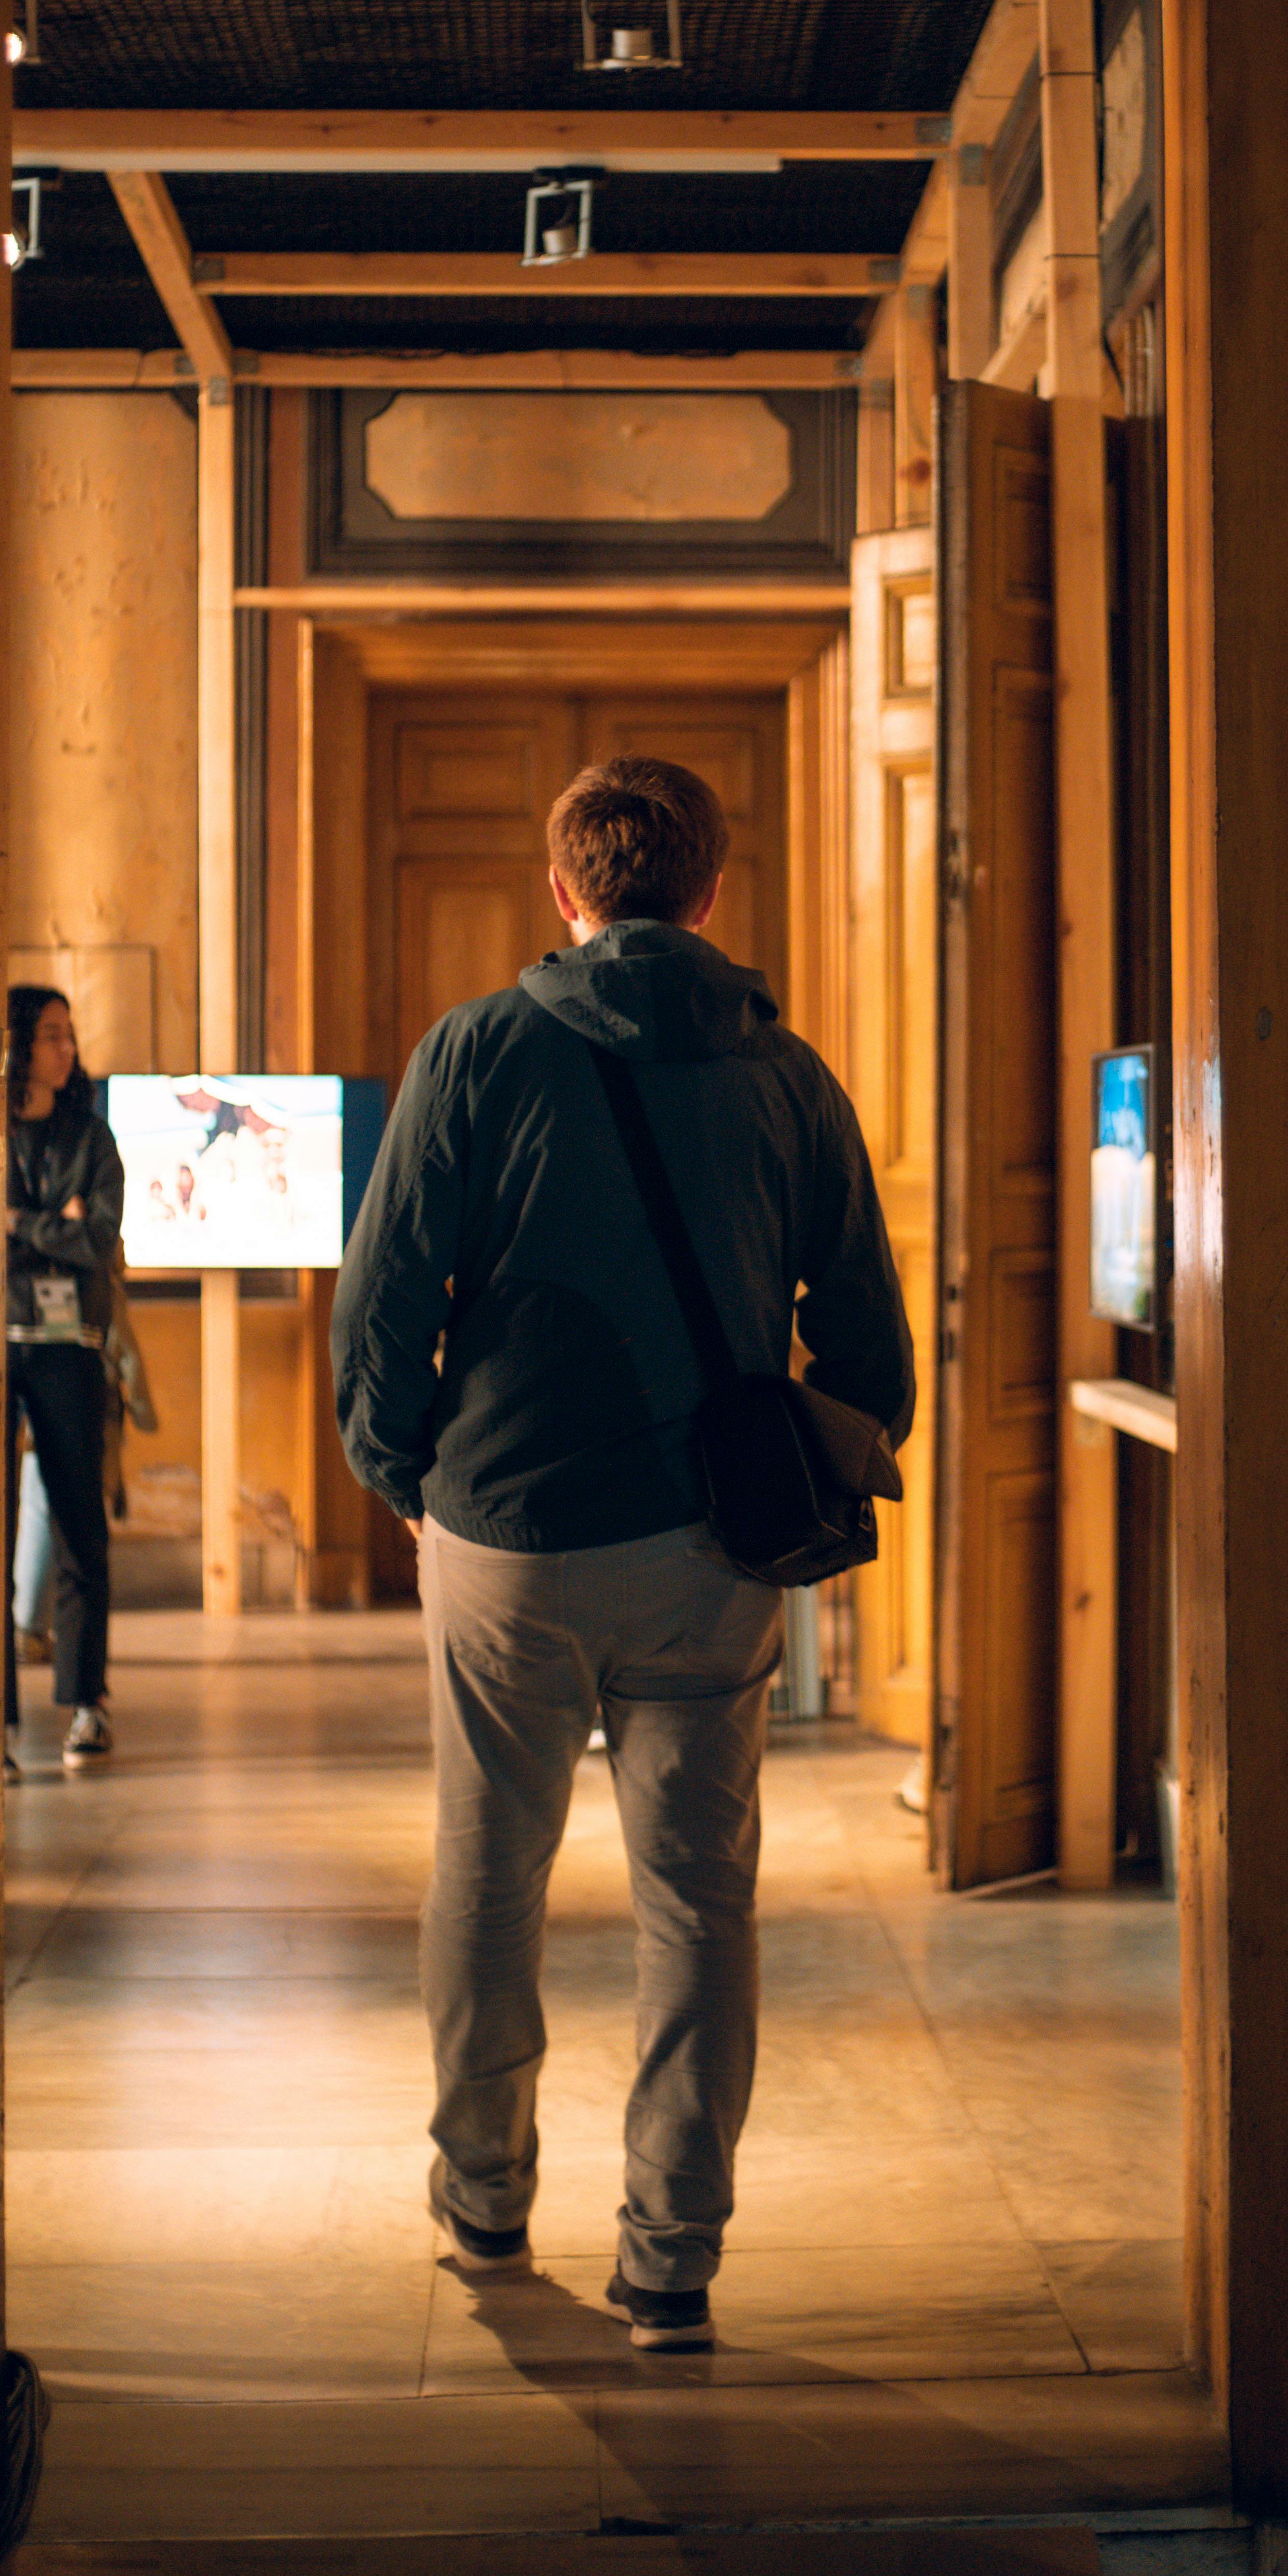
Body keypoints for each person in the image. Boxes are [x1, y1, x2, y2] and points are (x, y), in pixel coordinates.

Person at [332, 754, 914, 2351]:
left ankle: (485, 2196)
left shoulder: (476, 1051)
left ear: (564, 891)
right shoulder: (787, 1077)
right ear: (712, 895)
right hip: (712, 1547)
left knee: (486, 1868)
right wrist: (811, 1461)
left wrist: (401, 1473)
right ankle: (673, 2259)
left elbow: (384, 1301)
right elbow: (872, 1345)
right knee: (700, 1900)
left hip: (506, 1532)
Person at [6, 983, 126, 1771]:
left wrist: (22, 1224)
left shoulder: (91, 1135)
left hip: (70, 1345)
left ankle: (87, 1704)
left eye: (69, 1035)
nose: (66, 1049)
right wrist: (61, 1224)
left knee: (81, 1522)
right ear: (18, 1043)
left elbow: (101, 1240)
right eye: (51, 1035)